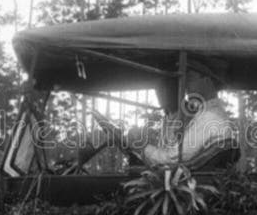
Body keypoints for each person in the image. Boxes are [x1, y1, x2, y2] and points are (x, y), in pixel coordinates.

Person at [93, 61, 237, 168]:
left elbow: (174, 159)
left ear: (207, 81)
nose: (185, 86)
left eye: (190, 79)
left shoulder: (209, 118)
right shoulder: (206, 114)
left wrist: (142, 146)